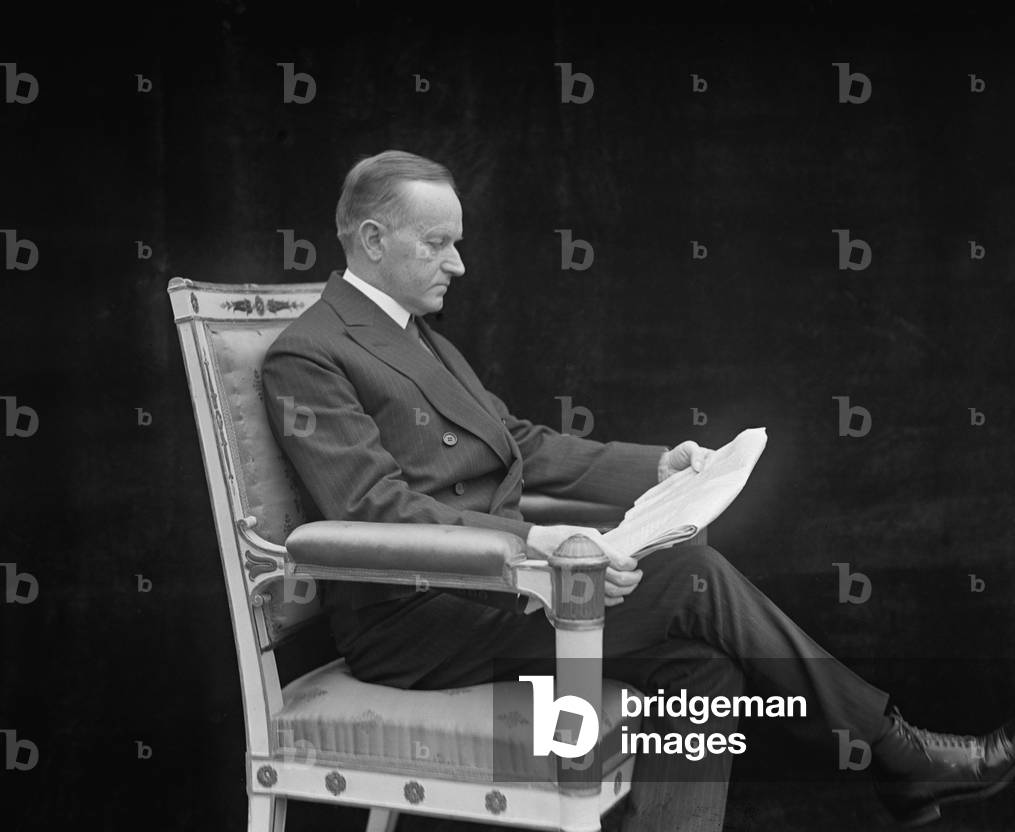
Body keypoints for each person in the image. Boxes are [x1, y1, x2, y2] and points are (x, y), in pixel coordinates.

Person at [261, 150, 1015, 831]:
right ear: (369, 239)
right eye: (437, 244)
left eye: (455, 242)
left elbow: (514, 440)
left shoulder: (414, 333)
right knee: (689, 571)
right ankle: (896, 751)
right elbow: (370, 510)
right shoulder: (310, 354)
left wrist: (655, 468)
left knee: (703, 672)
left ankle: (891, 764)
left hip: (494, 591)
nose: (457, 263)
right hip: (417, 616)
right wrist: (536, 545)